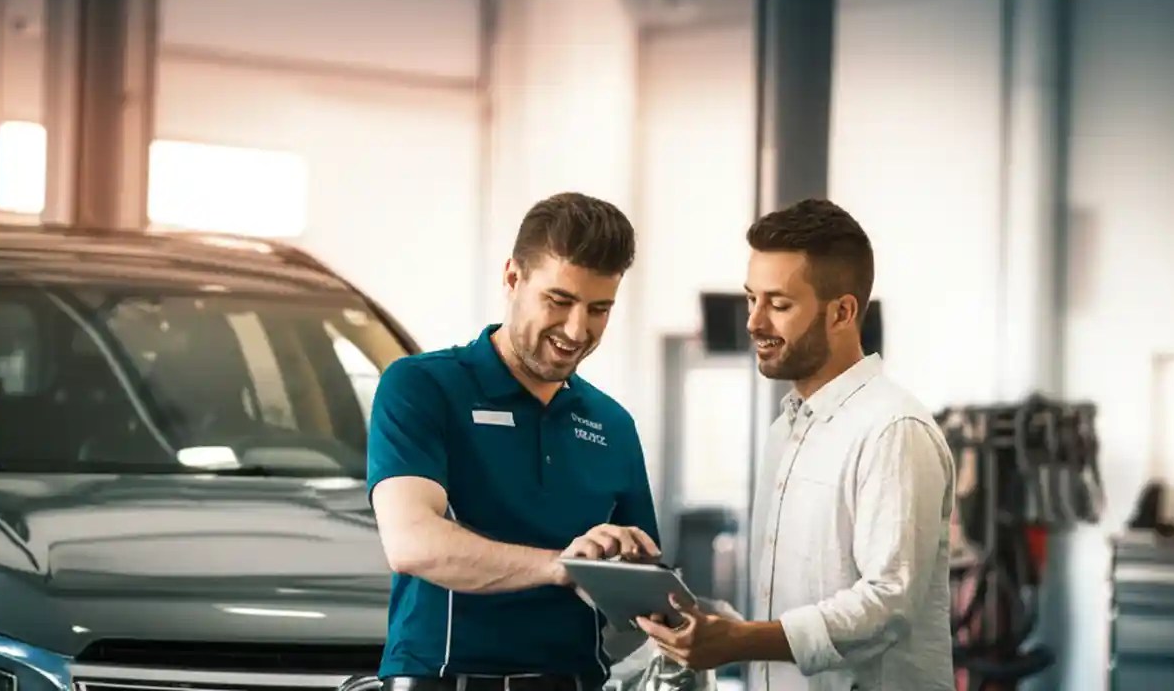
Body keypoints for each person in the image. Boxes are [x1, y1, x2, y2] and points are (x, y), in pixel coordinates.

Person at [636, 200, 956, 691]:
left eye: (779, 304)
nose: (754, 323)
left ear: (843, 312)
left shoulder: (893, 429)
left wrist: (743, 640)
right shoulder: (784, 431)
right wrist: (709, 624)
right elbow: (789, 607)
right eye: (751, 299)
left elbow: (888, 603)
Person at [368, 192, 662, 691]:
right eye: (560, 301)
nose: (577, 329)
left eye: (599, 309)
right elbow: (411, 542)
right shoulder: (423, 387)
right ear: (512, 278)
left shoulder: (613, 424)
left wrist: (629, 567)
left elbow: (637, 605)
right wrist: (561, 567)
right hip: (445, 682)